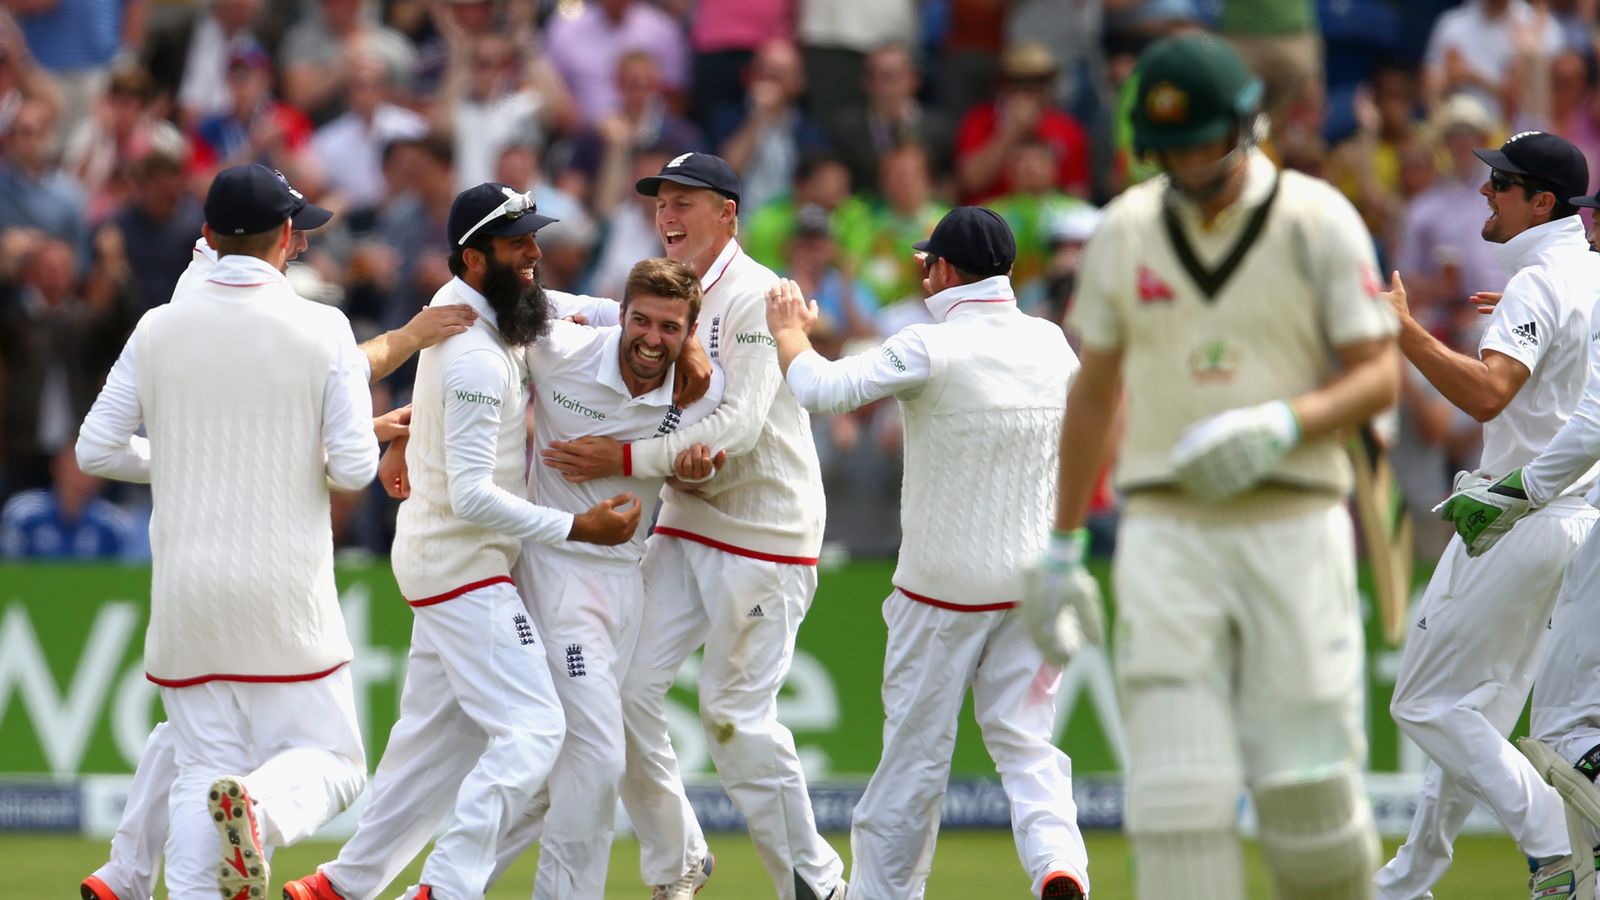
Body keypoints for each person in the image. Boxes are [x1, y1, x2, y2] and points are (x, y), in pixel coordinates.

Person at [1021, 34, 1400, 900]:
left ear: (1246, 126)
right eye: (1172, 151)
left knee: (1310, 802)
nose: (1190, 166)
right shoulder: (1126, 227)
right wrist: (1064, 543)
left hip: (1293, 522)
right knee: (1175, 804)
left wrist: (1283, 422)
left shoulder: (1315, 217)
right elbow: (1094, 392)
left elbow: (1377, 371)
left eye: (1204, 145)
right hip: (1167, 530)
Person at [76, 169, 473, 900]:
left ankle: (186, 858)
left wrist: (189, 461)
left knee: (201, 773)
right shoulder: (320, 326)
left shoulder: (158, 325)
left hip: (186, 600)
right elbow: (354, 468)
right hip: (283, 596)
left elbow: (95, 451)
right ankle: (258, 808)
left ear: (206, 237)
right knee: (336, 763)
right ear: (287, 237)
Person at [280, 182, 640, 900]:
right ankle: (446, 888)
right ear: (476, 259)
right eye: (519, 244)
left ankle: (339, 886)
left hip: (447, 557)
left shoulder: (493, 309)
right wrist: (580, 527)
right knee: (536, 732)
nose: (536, 254)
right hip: (462, 563)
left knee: (428, 754)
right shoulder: (475, 349)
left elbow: (582, 307)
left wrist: (661, 319)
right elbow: (475, 493)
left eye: (534, 239)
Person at [540, 152, 846, 900]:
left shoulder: (759, 297)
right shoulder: (667, 297)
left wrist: (621, 455)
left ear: (728, 214)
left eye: (685, 202)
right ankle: (677, 861)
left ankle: (815, 881)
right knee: (622, 691)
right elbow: (582, 311)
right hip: (686, 522)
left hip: (768, 534)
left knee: (733, 719)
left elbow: (737, 428)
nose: (668, 216)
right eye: (660, 203)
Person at [766, 205, 1089, 899]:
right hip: (1032, 585)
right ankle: (1060, 867)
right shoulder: (1054, 345)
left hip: (941, 590)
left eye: (926, 264)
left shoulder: (927, 345)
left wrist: (790, 334)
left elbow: (820, 389)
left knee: (913, 761)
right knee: (1030, 747)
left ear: (944, 270)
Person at [1376, 130, 1600, 899]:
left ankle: (1553, 844)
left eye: (1501, 183)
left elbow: (1486, 394)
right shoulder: (1584, 272)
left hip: (1515, 516)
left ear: (1542, 201)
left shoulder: (1543, 282)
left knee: (1425, 703)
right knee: (1474, 719)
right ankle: (1407, 882)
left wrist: (1402, 330)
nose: (1483, 192)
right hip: (1572, 527)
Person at [1437, 181, 1600, 895]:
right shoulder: (1578, 286)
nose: (1590, 228)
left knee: (1566, 729)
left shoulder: (1562, 280)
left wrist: (1516, 491)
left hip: (1567, 511)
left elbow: (1593, 424)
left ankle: (1562, 865)